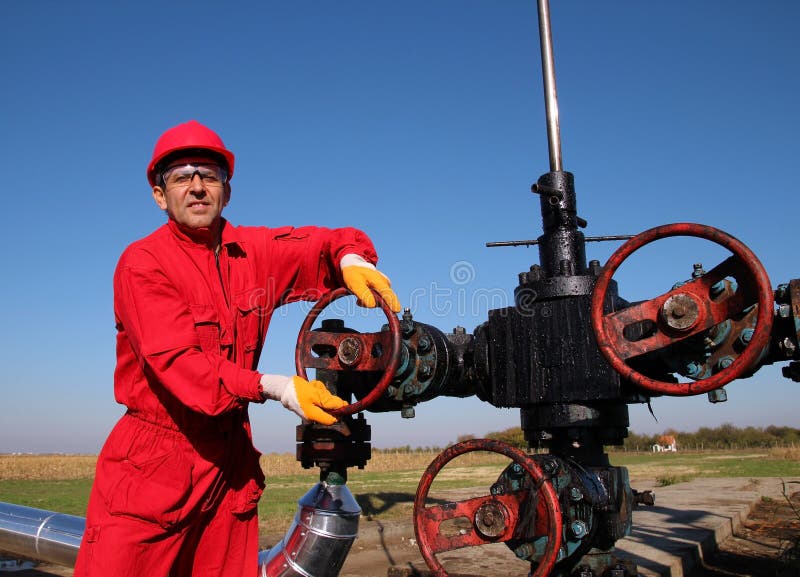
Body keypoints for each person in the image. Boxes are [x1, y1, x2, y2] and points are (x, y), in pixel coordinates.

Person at [73, 120, 401, 577]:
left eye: (209, 175)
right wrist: (279, 388)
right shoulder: (142, 263)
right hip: (154, 465)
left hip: (229, 468)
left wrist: (349, 258)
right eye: (181, 177)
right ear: (159, 194)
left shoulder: (252, 252)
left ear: (227, 191)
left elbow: (326, 242)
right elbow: (183, 367)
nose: (197, 187)